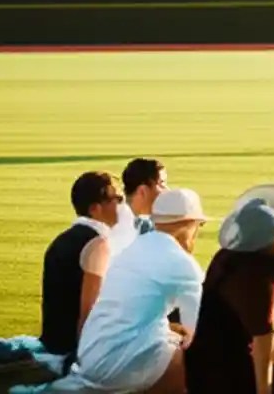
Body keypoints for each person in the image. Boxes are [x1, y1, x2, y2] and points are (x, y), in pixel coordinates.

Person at [38, 188, 209, 393]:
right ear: (188, 224)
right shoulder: (182, 263)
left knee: (172, 340)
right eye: (199, 225)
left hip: (89, 357)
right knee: (198, 359)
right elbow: (199, 329)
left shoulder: (133, 248)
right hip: (121, 365)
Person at [186, 191, 274, 394]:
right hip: (228, 373)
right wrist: (264, 390)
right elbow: (263, 340)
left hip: (200, 367)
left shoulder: (224, 259)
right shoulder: (262, 272)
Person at [38, 172, 122, 369]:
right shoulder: (98, 244)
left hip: (53, 343)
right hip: (74, 350)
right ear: (95, 208)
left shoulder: (62, 239)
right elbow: (90, 310)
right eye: (117, 199)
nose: (122, 205)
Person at [110, 158, 168, 254]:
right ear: (142, 191)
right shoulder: (128, 226)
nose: (167, 190)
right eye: (161, 183)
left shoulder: (115, 217)